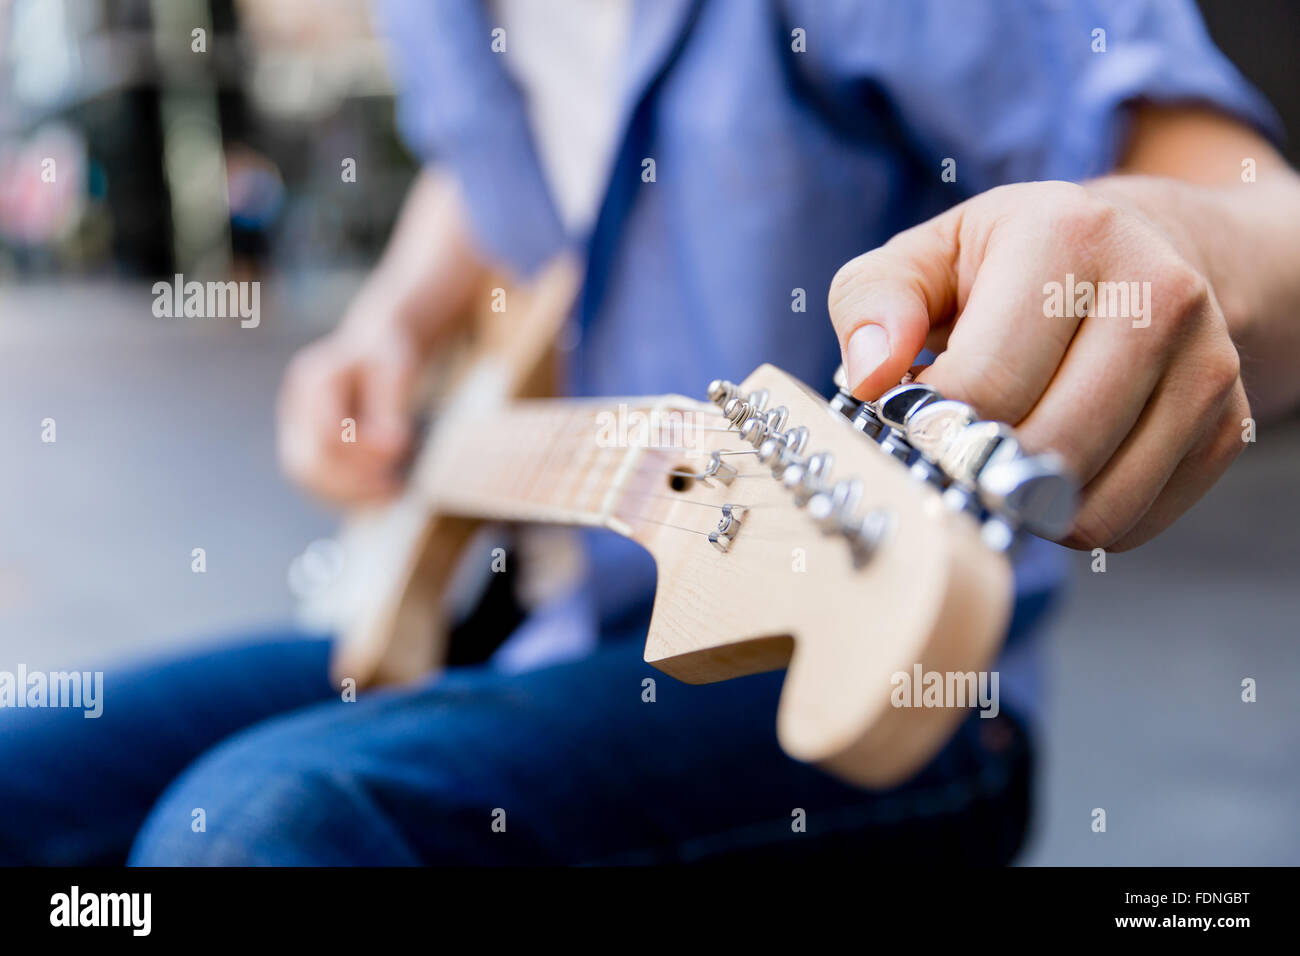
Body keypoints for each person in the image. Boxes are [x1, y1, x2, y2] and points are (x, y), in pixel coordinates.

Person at [4, 0, 1299, 865]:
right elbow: (498, 170)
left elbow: (1247, 204)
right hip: (509, 615)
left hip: (846, 671)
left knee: (260, 829)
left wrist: (1187, 250)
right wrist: (390, 329)